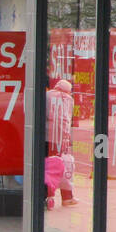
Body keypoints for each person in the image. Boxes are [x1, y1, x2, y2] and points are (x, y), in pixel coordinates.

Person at [45, 78, 77, 207]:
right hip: (60, 140)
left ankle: (48, 195)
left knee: (48, 167)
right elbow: (67, 121)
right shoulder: (69, 100)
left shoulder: (47, 96)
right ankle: (66, 197)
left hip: (46, 137)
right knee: (62, 166)